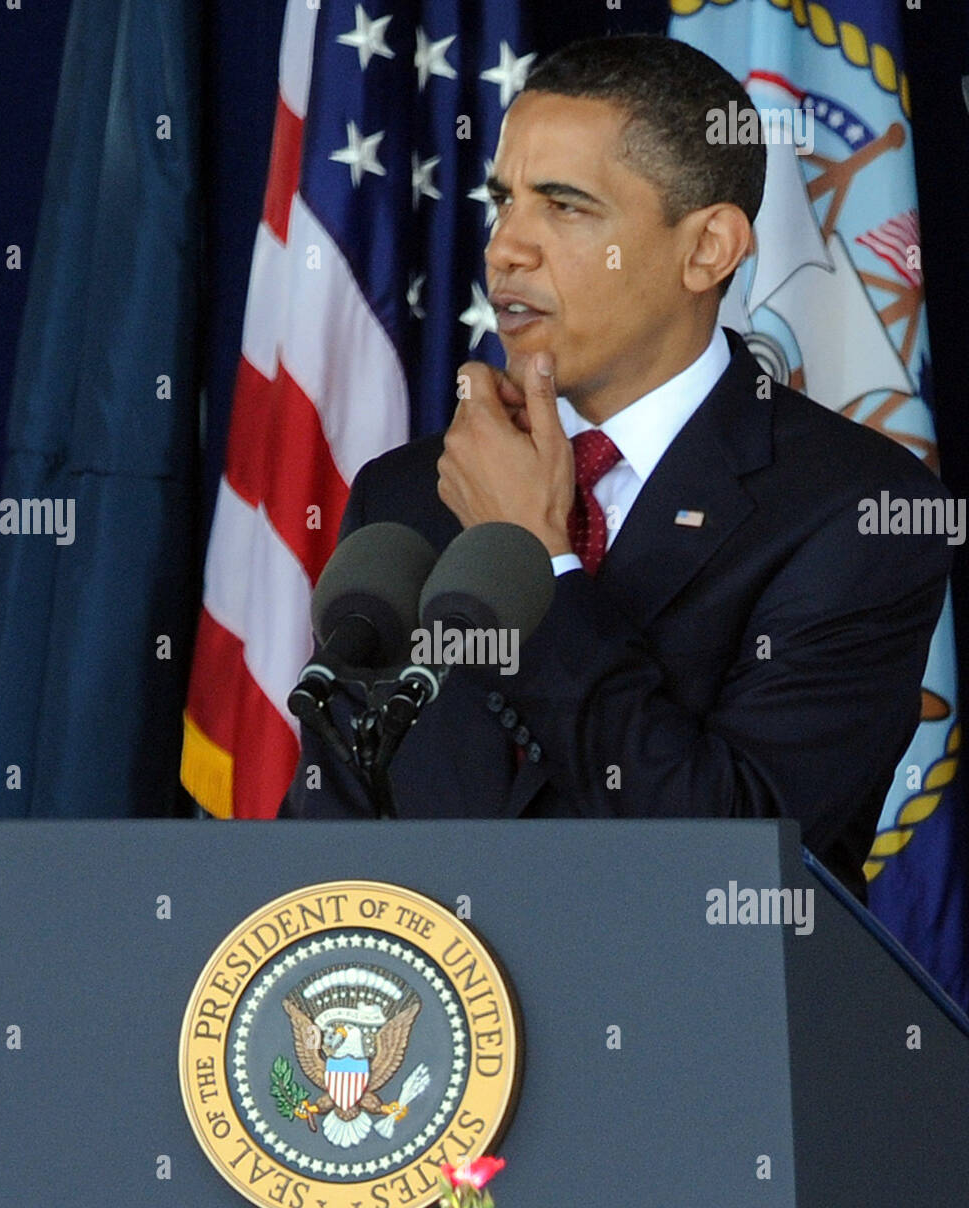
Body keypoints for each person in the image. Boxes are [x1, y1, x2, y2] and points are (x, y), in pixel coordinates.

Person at [279, 34, 951, 904]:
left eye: (565, 208)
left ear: (708, 249)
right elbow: (330, 842)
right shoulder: (408, 493)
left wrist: (536, 562)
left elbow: (731, 855)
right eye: (503, 202)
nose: (507, 249)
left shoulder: (857, 511)